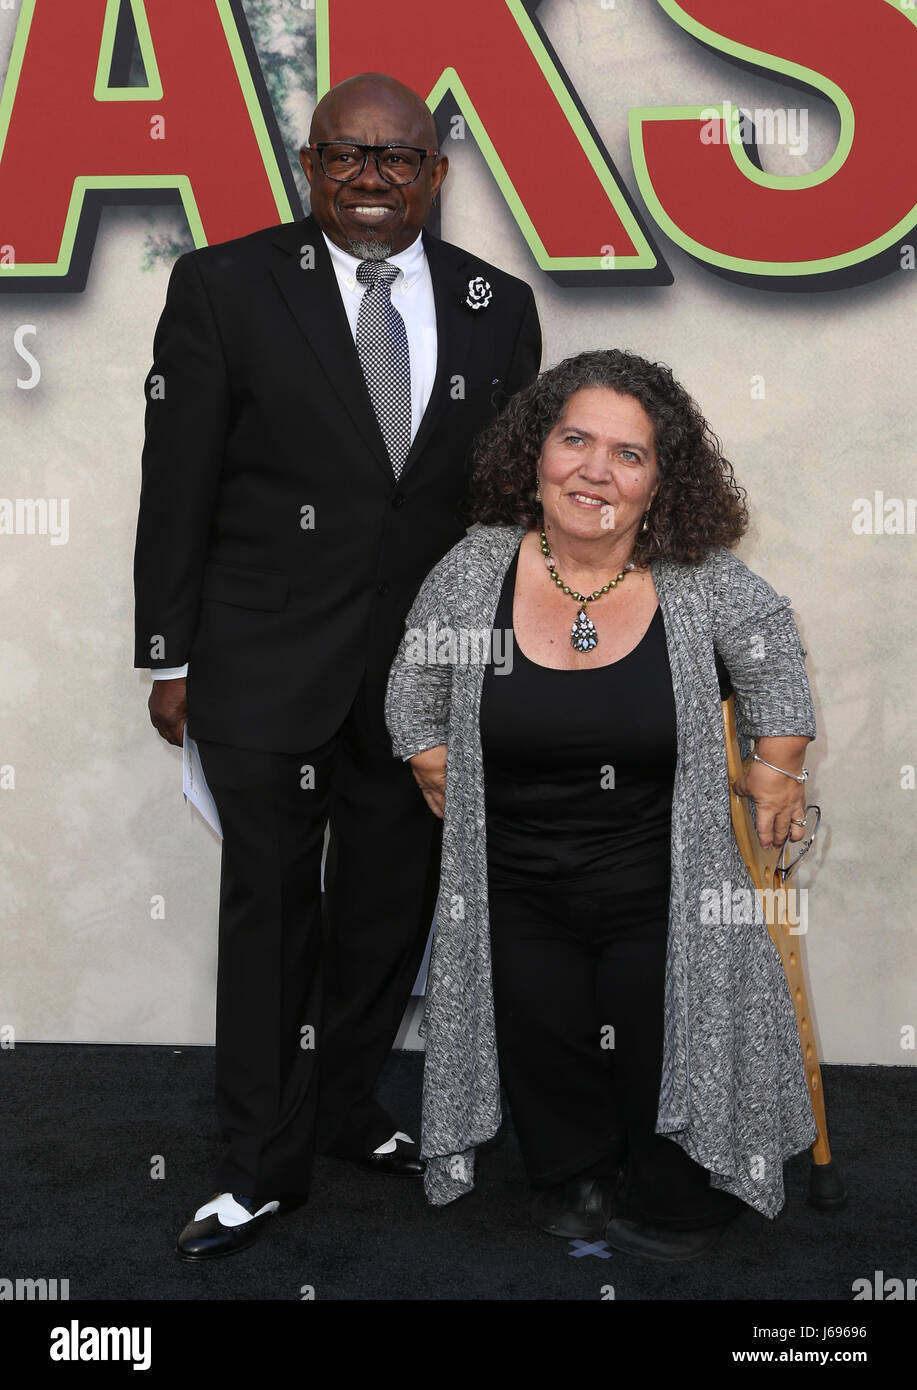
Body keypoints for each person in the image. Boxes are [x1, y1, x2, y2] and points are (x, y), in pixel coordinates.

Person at [133, 71, 541, 1261]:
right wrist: (169, 654)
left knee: (385, 909)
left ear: (435, 172)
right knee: (271, 915)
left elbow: (498, 510)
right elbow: (179, 482)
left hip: (422, 674)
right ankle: (258, 1165)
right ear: (308, 167)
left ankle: (348, 1106)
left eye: (397, 158)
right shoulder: (222, 285)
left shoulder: (495, 306)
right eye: (345, 156)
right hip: (260, 663)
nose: (371, 177)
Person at [384, 348, 818, 1262]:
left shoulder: (695, 580)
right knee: (545, 1031)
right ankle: (573, 1172)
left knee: (661, 1031)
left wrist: (778, 766)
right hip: (514, 872)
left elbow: (773, 654)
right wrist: (435, 770)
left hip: (658, 871)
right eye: (574, 440)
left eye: (628, 454)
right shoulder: (476, 571)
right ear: (534, 455)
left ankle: (672, 1180)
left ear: (661, 482)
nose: (594, 470)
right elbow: (415, 691)